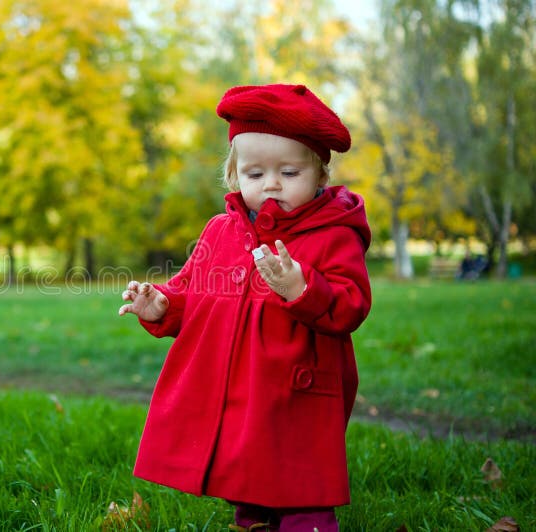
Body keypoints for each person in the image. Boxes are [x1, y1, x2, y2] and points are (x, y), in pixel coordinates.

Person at [118, 84, 372, 531]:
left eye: (289, 173)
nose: (271, 184)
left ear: (319, 175)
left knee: (298, 472)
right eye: (255, 174)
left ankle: (307, 522)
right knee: (247, 459)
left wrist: (301, 288)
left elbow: (351, 303)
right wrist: (161, 305)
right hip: (242, 381)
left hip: (298, 381)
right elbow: (191, 293)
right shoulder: (222, 230)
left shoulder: (333, 232)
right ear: (236, 176)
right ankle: (251, 518)